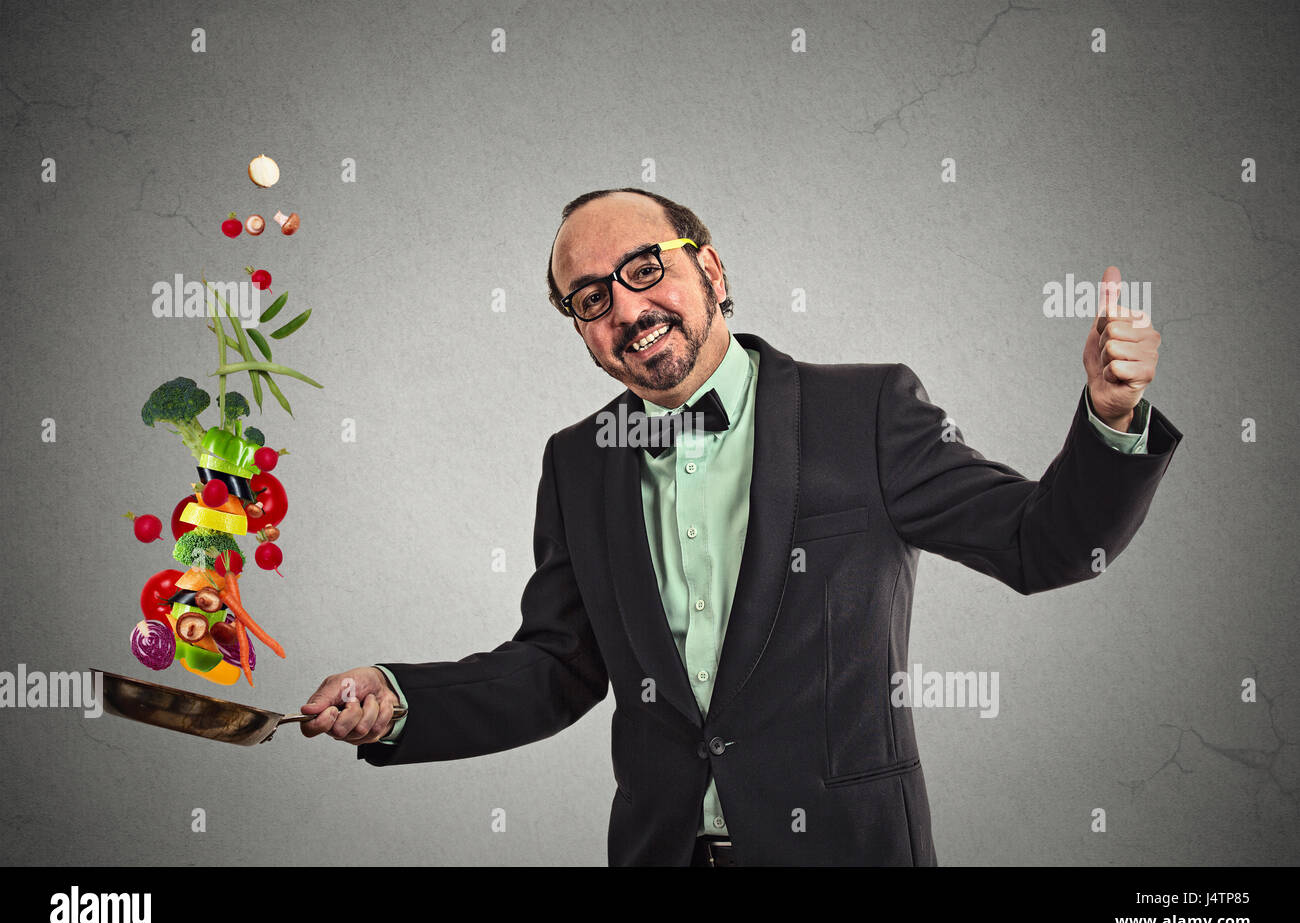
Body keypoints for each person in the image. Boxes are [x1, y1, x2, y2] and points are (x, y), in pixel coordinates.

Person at [301, 187, 1181, 866]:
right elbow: (555, 670)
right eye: (590, 298)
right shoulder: (577, 461)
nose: (626, 308)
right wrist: (398, 700)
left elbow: (1046, 544)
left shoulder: (865, 411)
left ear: (711, 271)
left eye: (646, 268)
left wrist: (1110, 413)